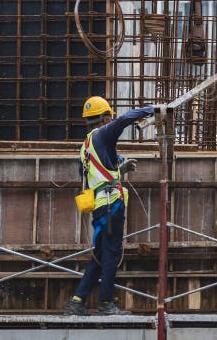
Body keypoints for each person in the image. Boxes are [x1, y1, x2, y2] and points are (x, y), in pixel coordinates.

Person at [64, 96, 154, 316]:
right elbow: (125, 119)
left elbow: (96, 175)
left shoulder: (85, 145)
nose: (111, 120)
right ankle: (106, 303)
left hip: (99, 206)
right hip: (111, 205)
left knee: (101, 254)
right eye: (109, 117)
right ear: (104, 119)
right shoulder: (103, 133)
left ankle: (77, 301)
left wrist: (119, 170)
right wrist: (153, 109)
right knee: (112, 254)